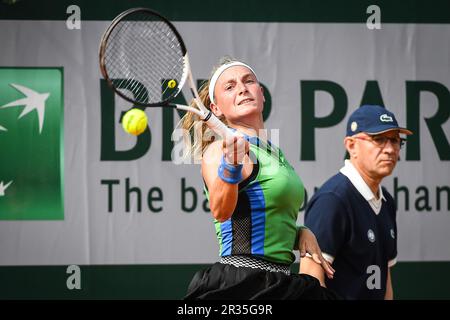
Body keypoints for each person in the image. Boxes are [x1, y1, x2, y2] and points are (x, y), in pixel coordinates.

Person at [179, 57, 338, 299]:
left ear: (261, 94)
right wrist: (231, 165)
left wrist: (300, 232)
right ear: (216, 109)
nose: (242, 88)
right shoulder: (217, 151)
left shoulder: (273, 153)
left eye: (248, 81)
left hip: (281, 282)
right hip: (243, 285)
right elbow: (221, 210)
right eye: (230, 86)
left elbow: (262, 215)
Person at [300, 104, 413, 300]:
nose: (390, 149)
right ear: (351, 145)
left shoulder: (386, 202)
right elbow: (311, 279)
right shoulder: (333, 200)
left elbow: (385, 281)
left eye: (395, 140)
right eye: (379, 139)